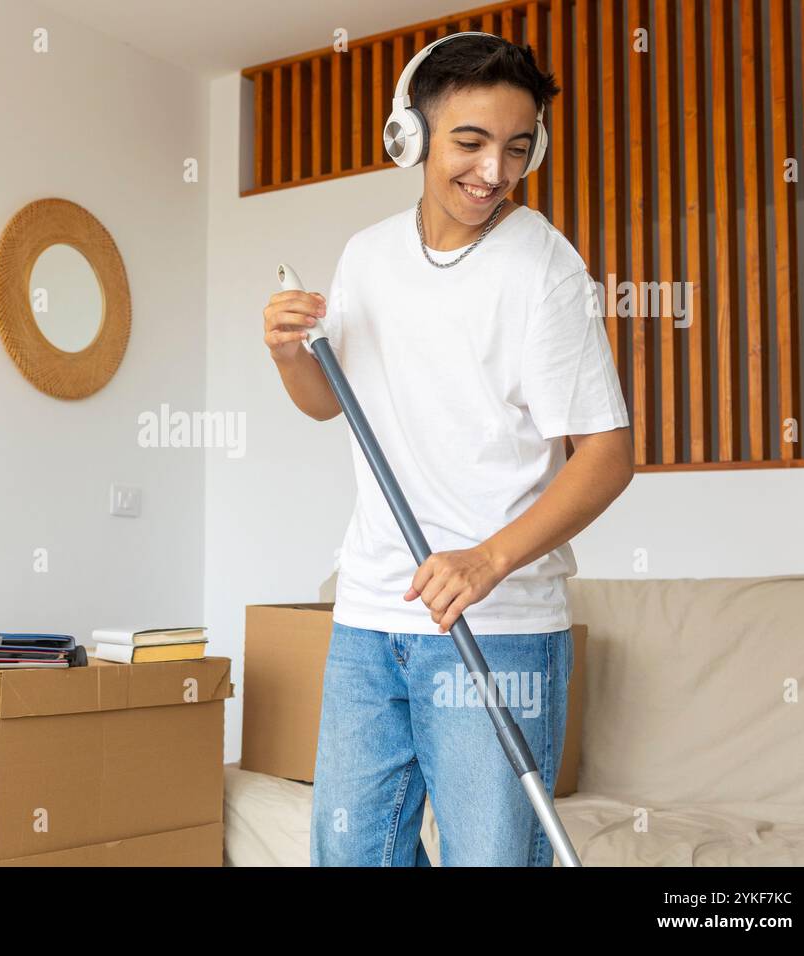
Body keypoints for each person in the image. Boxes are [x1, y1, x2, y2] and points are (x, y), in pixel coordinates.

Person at [262, 32, 632, 866]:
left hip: (496, 627)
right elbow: (333, 407)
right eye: (470, 142)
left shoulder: (544, 269)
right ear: (411, 137)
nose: (494, 171)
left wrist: (488, 560)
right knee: (353, 855)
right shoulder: (368, 257)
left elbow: (607, 453)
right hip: (368, 618)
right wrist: (291, 353)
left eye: (517, 146)